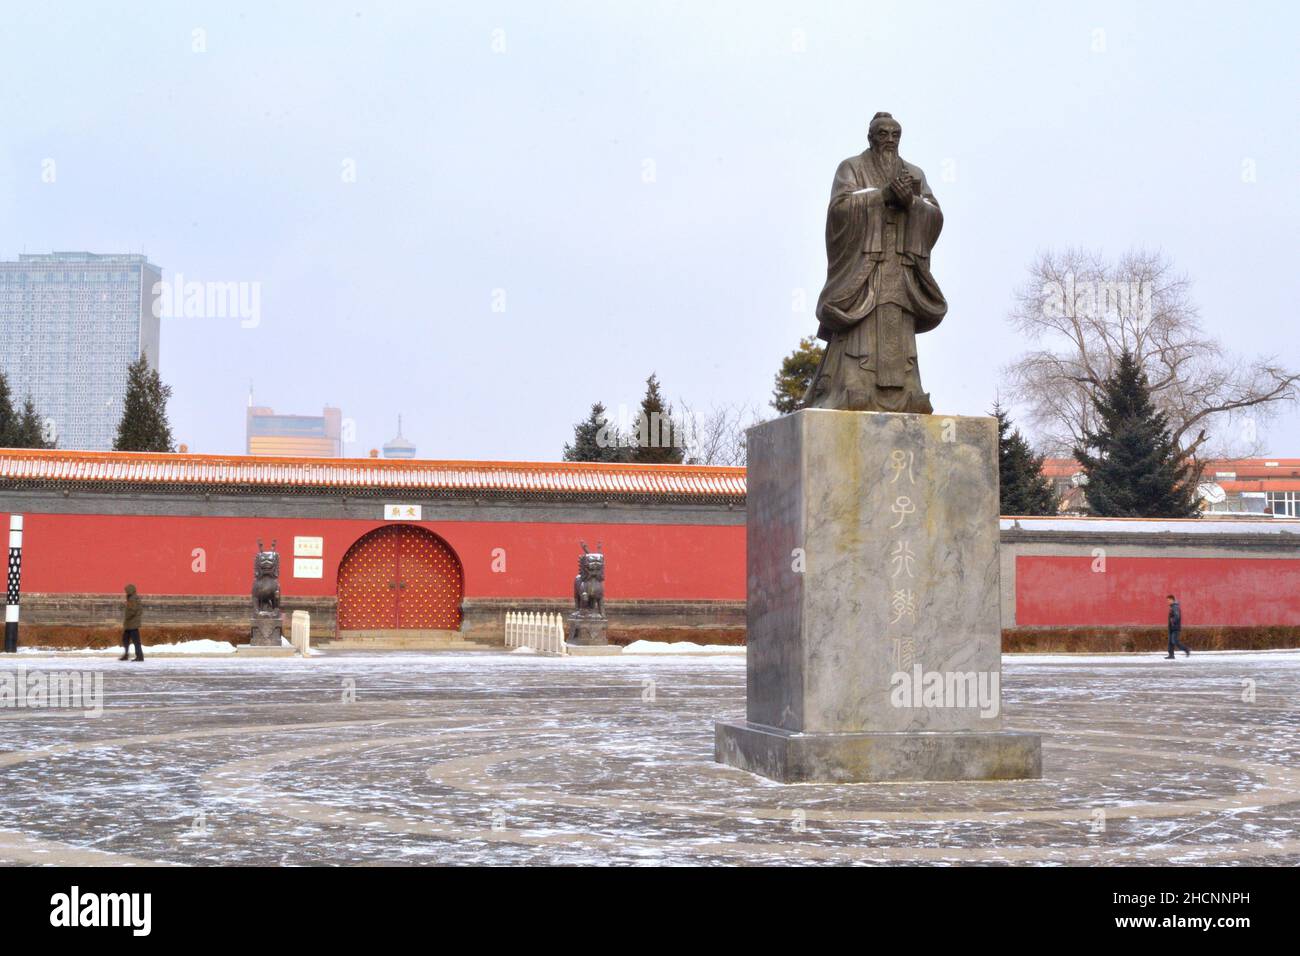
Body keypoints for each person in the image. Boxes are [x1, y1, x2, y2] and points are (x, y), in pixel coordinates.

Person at [121, 583, 144, 662]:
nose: (125, 592)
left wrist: (127, 617)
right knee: (126, 640)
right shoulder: (132, 598)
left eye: (126, 590)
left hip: (132, 624)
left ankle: (139, 657)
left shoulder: (132, 599)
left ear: (129, 590)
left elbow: (132, 611)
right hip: (130, 624)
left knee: (135, 641)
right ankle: (126, 655)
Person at [1165, 593, 1190, 659]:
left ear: (1172, 600)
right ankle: (1171, 655)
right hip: (1172, 627)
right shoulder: (1172, 606)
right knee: (1170, 642)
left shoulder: (1175, 607)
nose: (1167, 602)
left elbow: (1177, 616)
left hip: (1175, 628)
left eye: (1168, 600)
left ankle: (1186, 649)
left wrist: (1172, 621)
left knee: (1175, 641)